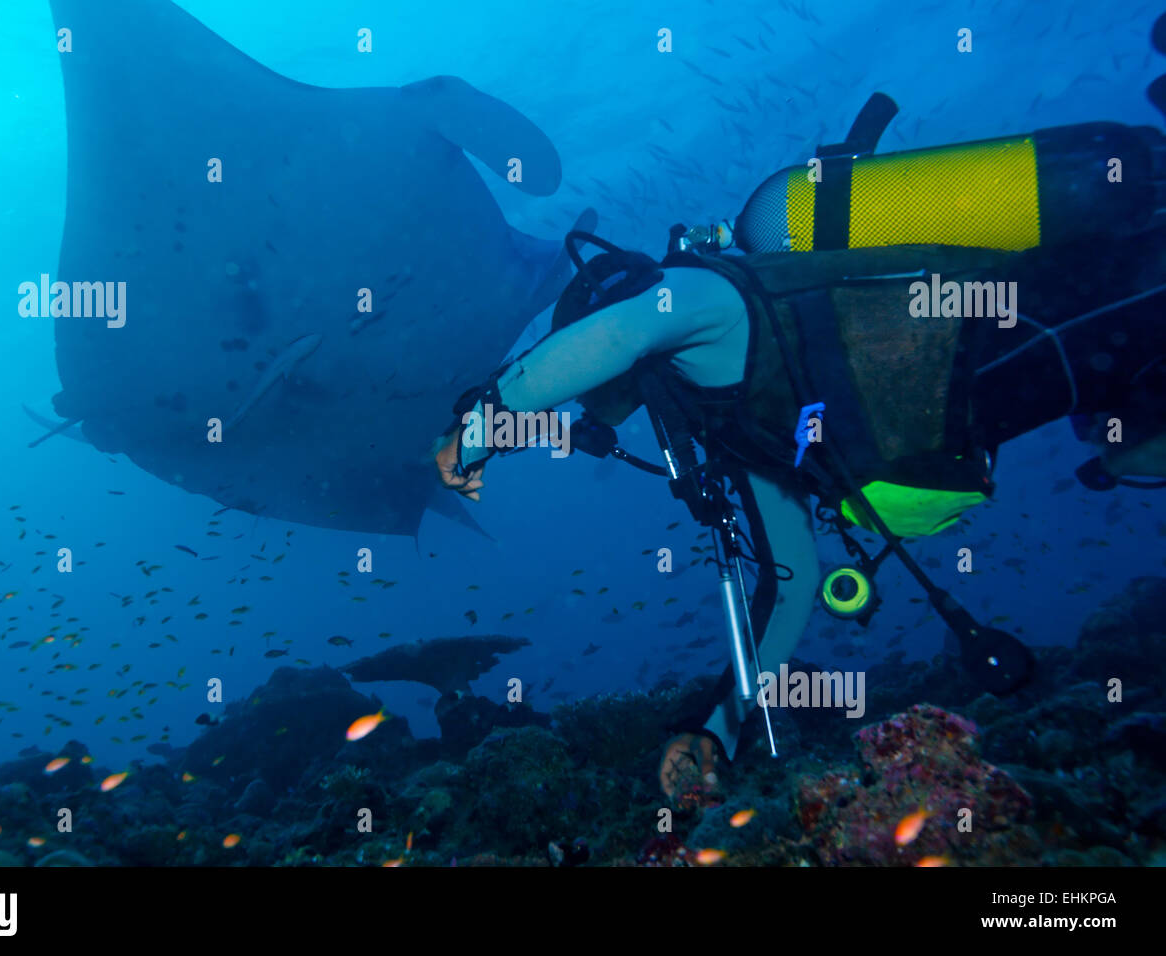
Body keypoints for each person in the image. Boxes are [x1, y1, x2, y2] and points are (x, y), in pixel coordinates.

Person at [433, 95, 1166, 766]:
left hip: (1098, 295)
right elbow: (790, 582)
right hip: (1093, 367)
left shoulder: (714, 299)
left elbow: (625, 330)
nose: (594, 413)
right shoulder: (741, 420)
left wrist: (482, 426)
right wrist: (715, 725)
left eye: (594, 393)